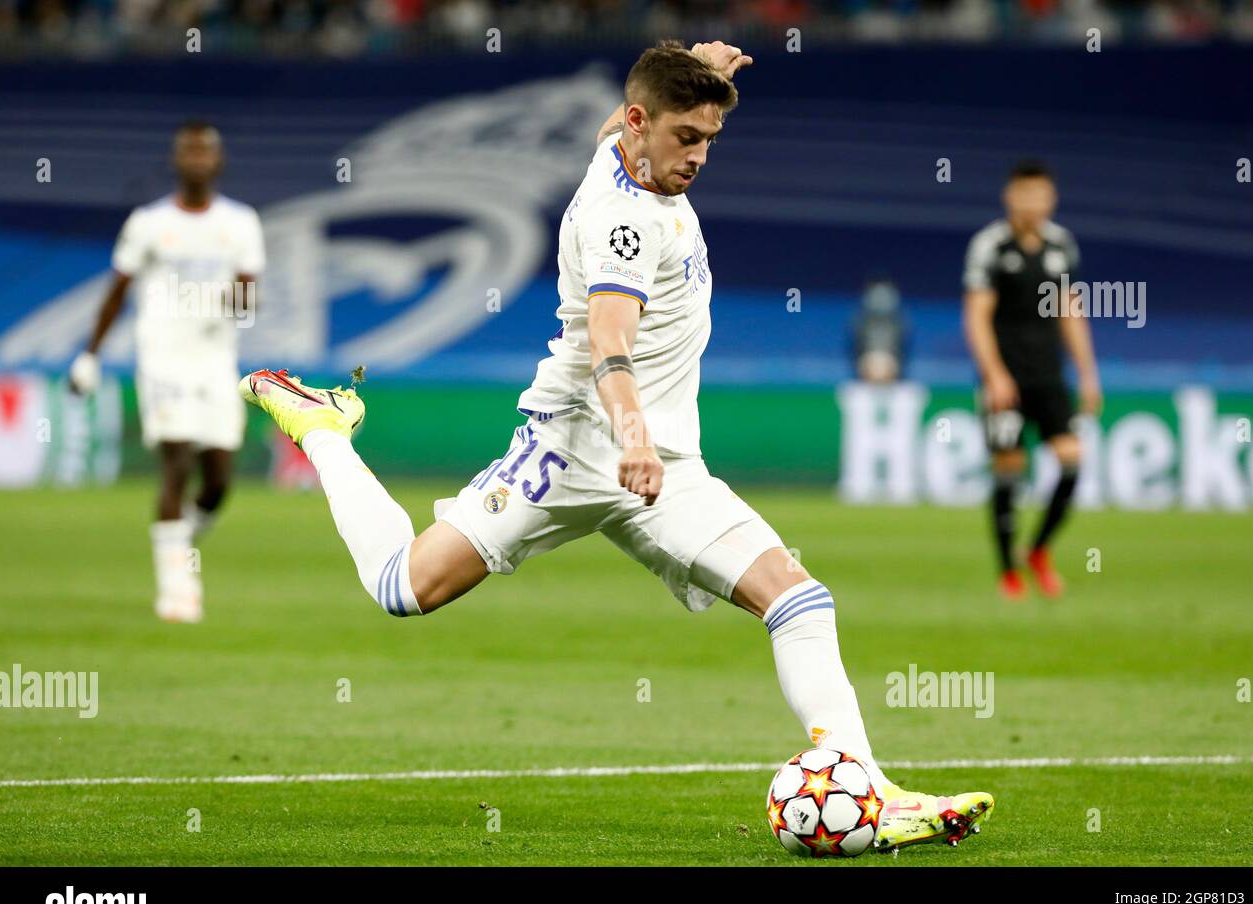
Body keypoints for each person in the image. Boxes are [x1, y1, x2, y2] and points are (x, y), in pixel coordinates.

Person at [241, 41, 992, 853]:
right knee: (402, 587)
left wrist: (689, 66)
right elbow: (609, 338)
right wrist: (633, 439)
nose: (698, 157)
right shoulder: (625, 220)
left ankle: (866, 790)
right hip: (572, 451)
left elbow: (613, 125)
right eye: (685, 137)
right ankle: (323, 430)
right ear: (641, 124)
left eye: (708, 140)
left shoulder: (619, 153)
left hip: (664, 468)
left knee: (799, 598)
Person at [70, 121, 265, 622]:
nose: (197, 159)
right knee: (177, 459)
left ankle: (177, 541)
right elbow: (116, 291)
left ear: (218, 162)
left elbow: (249, 298)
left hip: (215, 359)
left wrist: (231, 299)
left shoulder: (241, 223)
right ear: (176, 161)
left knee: (219, 478)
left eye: (205, 151)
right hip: (162, 356)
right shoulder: (148, 223)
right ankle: (178, 589)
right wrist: (89, 354)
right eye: (188, 151)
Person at [963, 159, 1101, 599]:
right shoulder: (990, 245)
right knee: (1009, 468)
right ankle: (1008, 572)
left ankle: (1038, 549)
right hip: (1006, 379)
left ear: (1051, 199)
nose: (1033, 203)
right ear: (1010, 197)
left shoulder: (1062, 246)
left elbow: (1070, 311)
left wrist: (1087, 373)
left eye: (1041, 195)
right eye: (1024, 194)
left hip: (1049, 376)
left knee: (1072, 459)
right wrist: (994, 375)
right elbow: (977, 316)